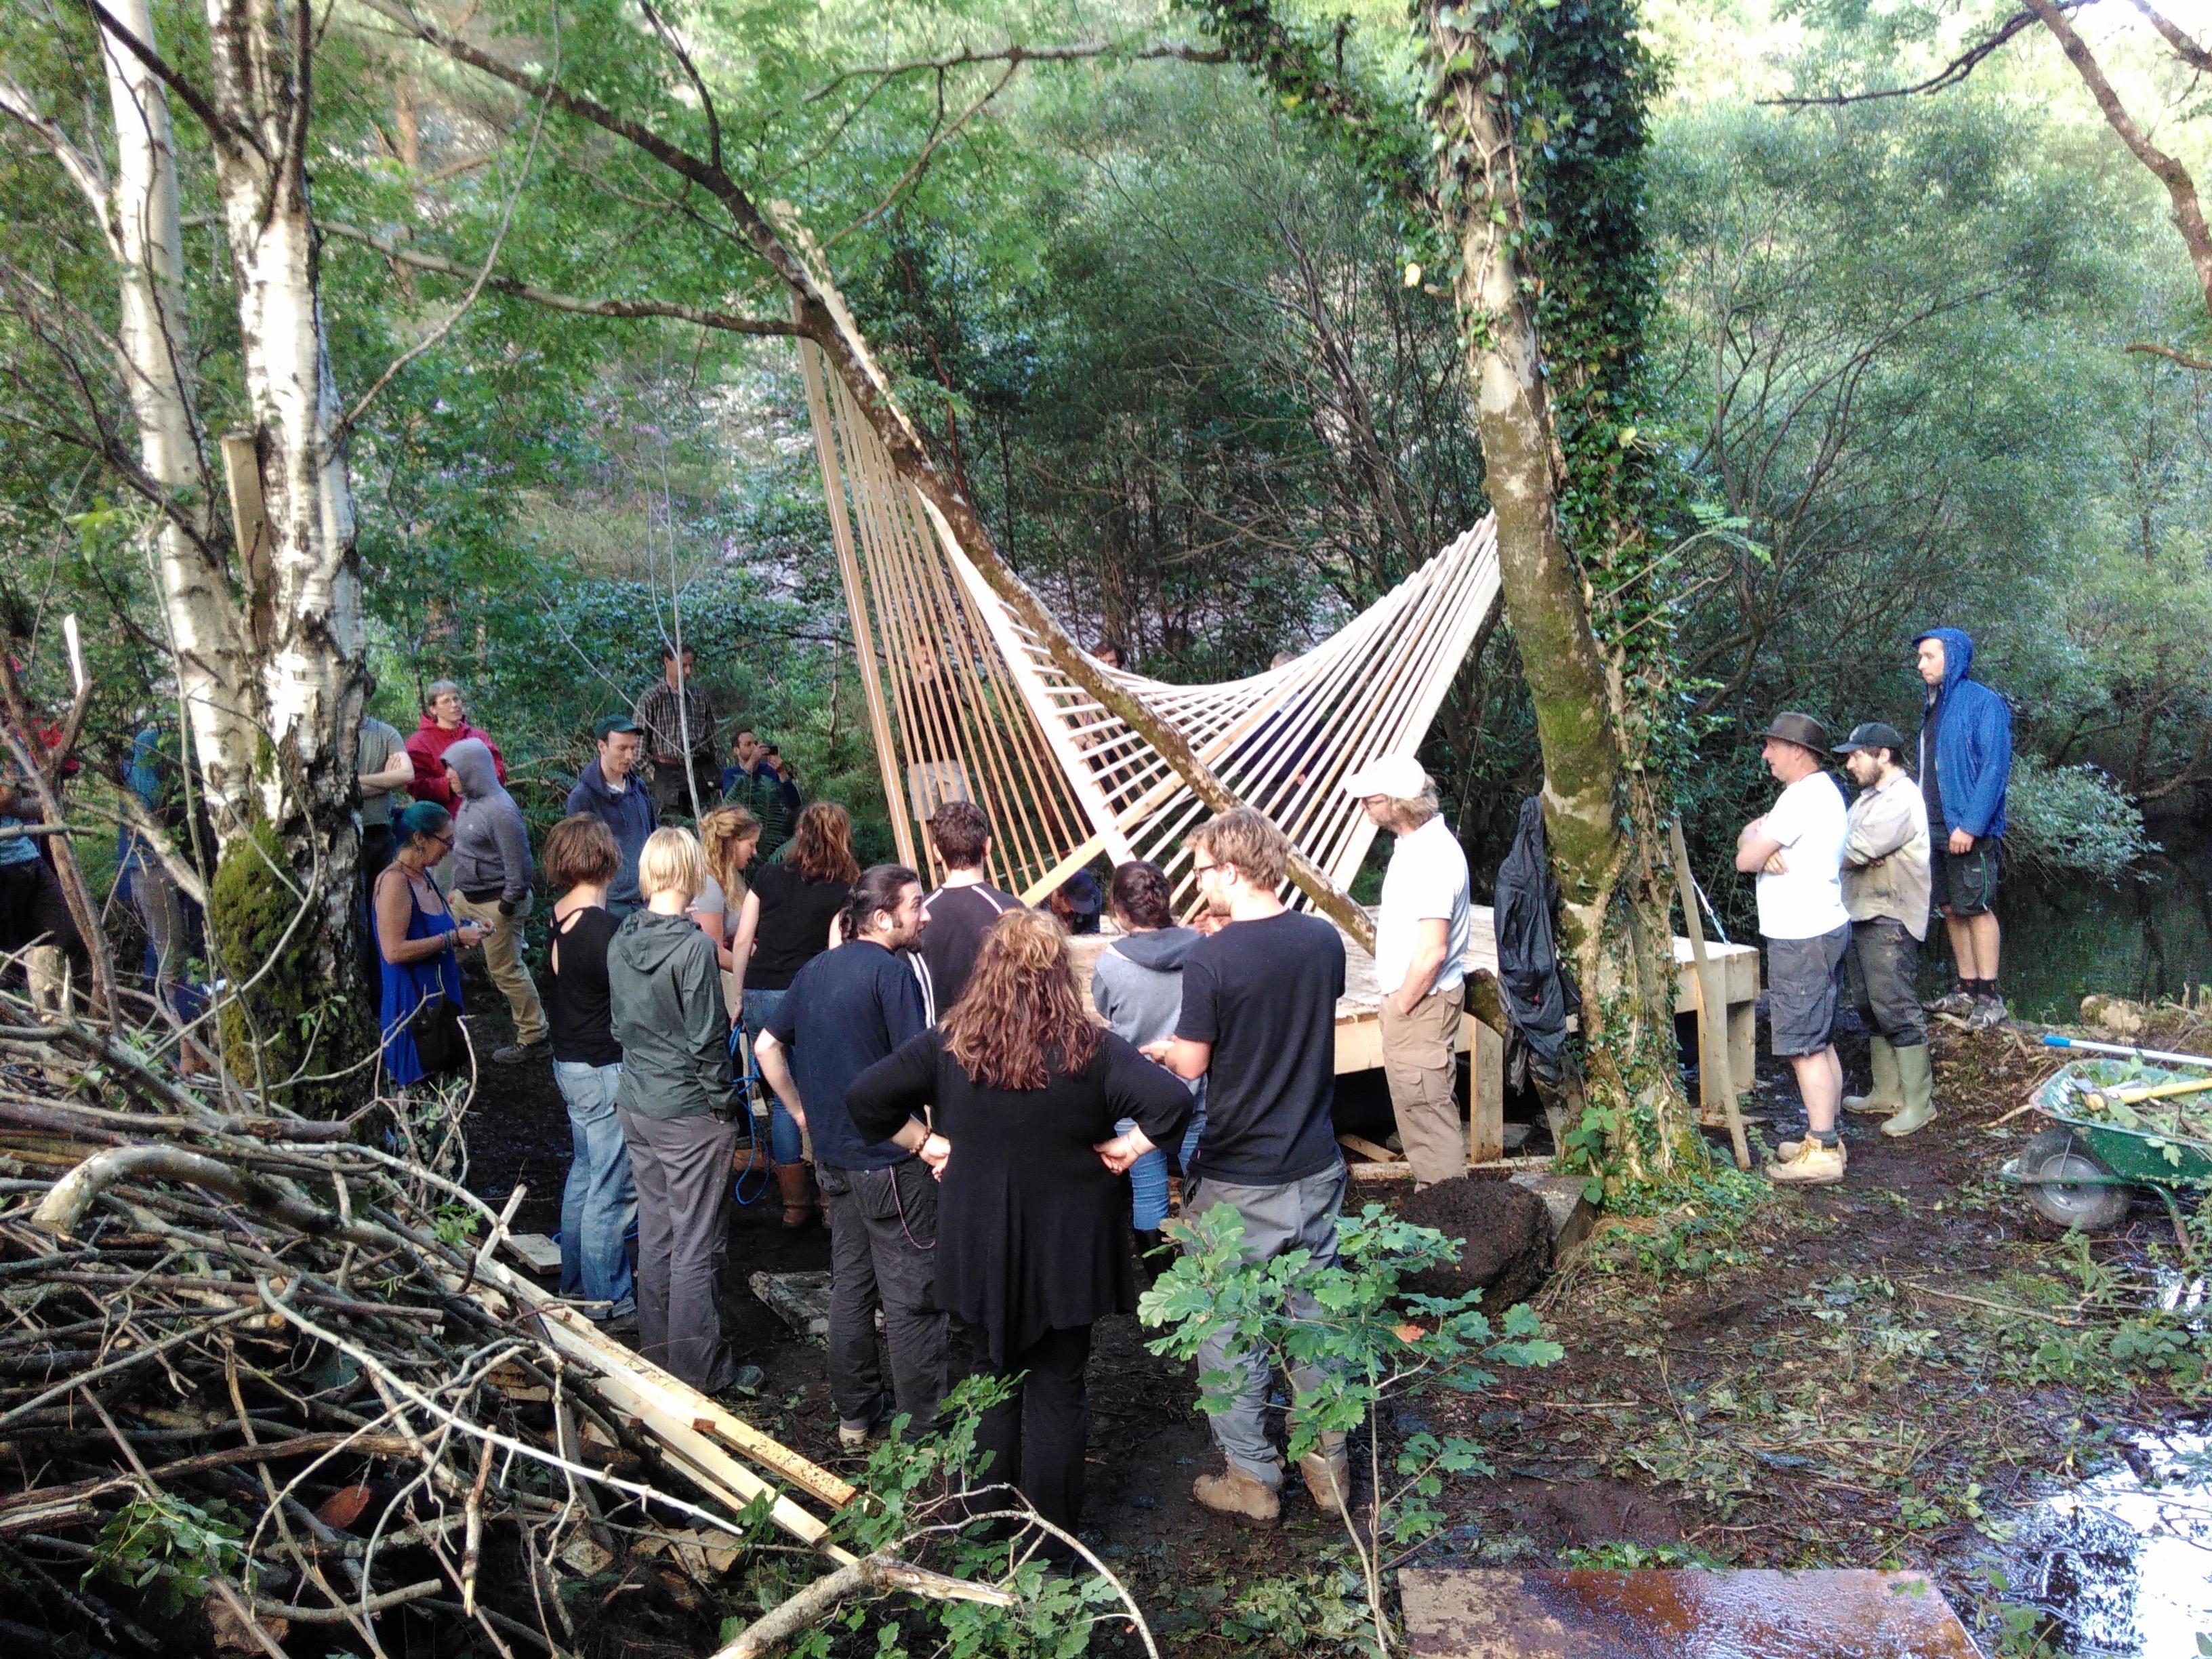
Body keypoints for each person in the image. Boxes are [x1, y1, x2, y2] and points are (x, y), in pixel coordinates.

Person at [848, 908, 1193, 1541]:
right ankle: (1056, 1548)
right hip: (1070, 1248)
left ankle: (985, 1529)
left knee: (992, 1377)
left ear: (988, 971)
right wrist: (1129, 1149)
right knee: (1060, 1387)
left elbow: (865, 1099)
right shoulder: (1093, 1048)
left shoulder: (951, 1044)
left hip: (981, 1240)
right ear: (1060, 974)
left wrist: (927, 1144)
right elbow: (1174, 1102)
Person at [1146, 807, 1351, 1523]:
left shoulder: (1212, 958)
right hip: (1316, 1160)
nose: (1196, 885)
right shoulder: (1323, 940)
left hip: (1238, 1172)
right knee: (1315, 1313)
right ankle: (1329, 1469)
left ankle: (1253, 1480)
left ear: (1233, 869)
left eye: (1201, 870)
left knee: (1226, 1324)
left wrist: (1164, 1051)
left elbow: (1195, 1065)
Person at [754, 865, 942, 1448]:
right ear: (882, 918)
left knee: (852, 1287)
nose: (925, 915)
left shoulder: (814, 970)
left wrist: (801, 1112)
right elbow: (919, 1071)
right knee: (913, 1295)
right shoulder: (892, 974)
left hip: (834, 1160)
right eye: (916, 905)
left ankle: (855, 1418)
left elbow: (766, 1045)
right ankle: (924, 1431)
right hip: (890, 1163)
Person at [608, 828, 762, 1397]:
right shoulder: (693, 947)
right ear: (694, 873)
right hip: (688, 1113)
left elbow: (619, 1025)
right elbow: (707, 1042)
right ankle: (701, 1373)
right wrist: (726, 1112)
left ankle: (658, 1359)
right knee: (696, 1246)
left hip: (638, 1104)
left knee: (658, 1236)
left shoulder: (621, 936)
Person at [1345, 754, 1473, 1189]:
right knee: (1417, 1107)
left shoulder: (1432, 857)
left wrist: (1402, 1005)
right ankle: (1436, 1207)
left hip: (1421, 1002)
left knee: (1427, 1108)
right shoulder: (1415, 845)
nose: (1364, 804)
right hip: (1419, 1002)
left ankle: (1448, 1217)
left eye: (1371, 798)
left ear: (1397, 803)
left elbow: (1433, 951)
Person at [1735, 712, 1852, 1187]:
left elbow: (1745, 859)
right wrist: (1756, 836)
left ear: (1798, 751)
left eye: (1772, 746)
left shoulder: (1803, 798)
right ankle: (1825, 1137)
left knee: (1805, 1046)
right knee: (1819, 1040)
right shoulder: (1817, 794)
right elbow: (1752, 842)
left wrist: (1755, 841)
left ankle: (1823, 1152)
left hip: (1803, 936)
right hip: (1819, 928)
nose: (1766, 755)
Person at [732, 801, 860, 1227]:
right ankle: (830, 1205)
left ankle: (793, 1208)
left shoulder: (767, 876)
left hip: (759, 991)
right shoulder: (844, 888)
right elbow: (840, 952)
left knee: (781, 1101)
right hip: (808, 995)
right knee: (820, 1095)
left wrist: (737, 999)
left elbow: (744, 938)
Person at [544, 814, 638, 1331]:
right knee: (612, 1189)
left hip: (571, 1063)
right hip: (601, 1067)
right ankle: (611, 1304)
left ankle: (577, 1286)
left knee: (585, 1174)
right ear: (606, 860)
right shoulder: (603, 929)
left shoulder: (560, 914)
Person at [1090, 860, 1206, 1274]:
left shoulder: (1110, 963)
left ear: (1119, 911)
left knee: (1149, 1194)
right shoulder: (1203, 948)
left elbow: (1106, 1008)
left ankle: (1163, 1291)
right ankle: (1212, 1281)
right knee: (1207, 1188)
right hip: (1197, 1089)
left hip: (1134, 1095)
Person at [1833, 723, 1938, 1139]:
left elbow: (1853, 849)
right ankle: (1886, 1092)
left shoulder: (1901, 799)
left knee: (1896, 1007)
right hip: (1862, 910)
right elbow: (1850, 846)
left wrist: (1852, 855)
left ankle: (1920, 1104)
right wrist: (1853, 855)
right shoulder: (1868, 799)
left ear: (1883, 755)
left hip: (1890, 915)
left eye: (1857, 755)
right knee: (1869, 1006)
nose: (1849, 762)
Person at [1913, 628, 2013, 1029]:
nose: (1921, 665)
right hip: (1933, 825)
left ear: (1952, 657)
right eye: (1920, 658)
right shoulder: (1933, 705)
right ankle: (1965, 990)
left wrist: (1970, 825)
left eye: (1929, 656)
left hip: (1968, 827)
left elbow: (1994, 768)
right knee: (1951, 908)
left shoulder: (1983, 702)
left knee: (1977, 907)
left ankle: (1990, 997)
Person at [441, 737, 547, 1064]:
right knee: (442, 950)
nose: (448, 777)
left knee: (505, 971)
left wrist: (504, 907)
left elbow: (521, 867)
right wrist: (458, 891)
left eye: (453, 771)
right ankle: (435, 1023)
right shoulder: (470, 801)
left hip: (496, 902)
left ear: (472, 771)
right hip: (466, 898)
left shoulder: (501, 810)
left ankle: (535, 1036)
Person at [373, 802, 485, 1085]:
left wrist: (469, 929)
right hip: (414, 1013)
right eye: (446, 841)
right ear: (420, 839)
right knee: (420, 1103)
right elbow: (393, 951)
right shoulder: (394, 883)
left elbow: (436, 934)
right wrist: (453, 938)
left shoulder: (424, 877)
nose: (450, 848)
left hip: (442, 1008)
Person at [915, 800, 1021, 1016]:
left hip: (935, 1043)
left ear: (937, 852)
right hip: (1003, 1043)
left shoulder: (915, 916)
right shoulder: (1013, 912)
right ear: (987, 847)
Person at [0, 776, 90, 1011]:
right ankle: (23, 1024)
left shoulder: (14, 746)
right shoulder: (9, 754)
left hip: (26, 856)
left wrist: (16, 805)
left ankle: (70, 1015)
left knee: (68, 937)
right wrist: (15, 802)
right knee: (9, 958)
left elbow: (44, 804)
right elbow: (8, 798)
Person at [634, 644, 719, 819]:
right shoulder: (651, 699)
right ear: (667, 662)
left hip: (699, 772)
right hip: (667, 773)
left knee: (706, 827)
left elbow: (714, 741)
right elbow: (637, 748)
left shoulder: (700, 698)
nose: (688, 671)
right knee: (674, 829)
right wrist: (654, 773)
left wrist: (716, 771)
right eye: (683, 666)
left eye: (690, 666)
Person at [358, 701, 413, 959]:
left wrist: (350, 782)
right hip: (343, 837)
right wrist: (384, 782)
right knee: (354, 914)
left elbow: (405, 775)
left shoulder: (385, 733)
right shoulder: (329, 735)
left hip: (380, 832)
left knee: (384, 909)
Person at [693, 806, 762, 1005]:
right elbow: (713, 950)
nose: (755, 852)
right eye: (751, 845)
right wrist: (754, 972)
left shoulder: (730, 880)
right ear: (733, 842)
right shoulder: (708, 884)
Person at [405, 680, 506, 813]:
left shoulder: (478, 736)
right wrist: (451, 784)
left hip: (488, 812)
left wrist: (480, 781)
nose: (454, 705)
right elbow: (416, 785)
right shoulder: (418, 743)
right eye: (446, 701)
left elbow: (499, 769)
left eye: (456, 699)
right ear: (433, 709)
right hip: (445, 820)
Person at [722, 728, 800, 858]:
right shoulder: (730, 773)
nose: (754, 748)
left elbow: (795, 803)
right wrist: (752, 762)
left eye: (756, 743)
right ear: (736, 751)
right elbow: (731, 799)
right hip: (745, 829)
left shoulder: (769, 769)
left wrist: (782, 773)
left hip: (774, 829)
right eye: (748, 745)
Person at [1048, 870, 1103, 937]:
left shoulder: (1094, 899)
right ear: (1063, 898)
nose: (1074, 910)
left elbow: (1092, 932)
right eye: (1073, 906)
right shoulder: (1038, 903)